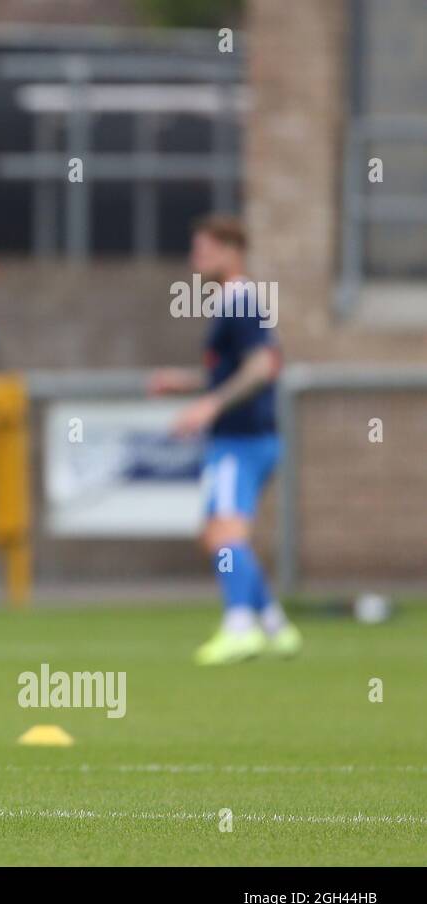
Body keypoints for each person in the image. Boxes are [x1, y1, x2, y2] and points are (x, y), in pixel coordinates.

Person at [150, 213, 301, 665]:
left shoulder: (241, 301)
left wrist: (209, 406)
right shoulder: (229, 302)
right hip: (244, 438)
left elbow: (263, 366)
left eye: (205, 248)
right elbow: (232, 372)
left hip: (242, 440)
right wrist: (189, 384)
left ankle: (240, 626)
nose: (197, 257)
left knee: (224, 534)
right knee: (218, 534)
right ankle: (274, 625)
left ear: (231, 251)